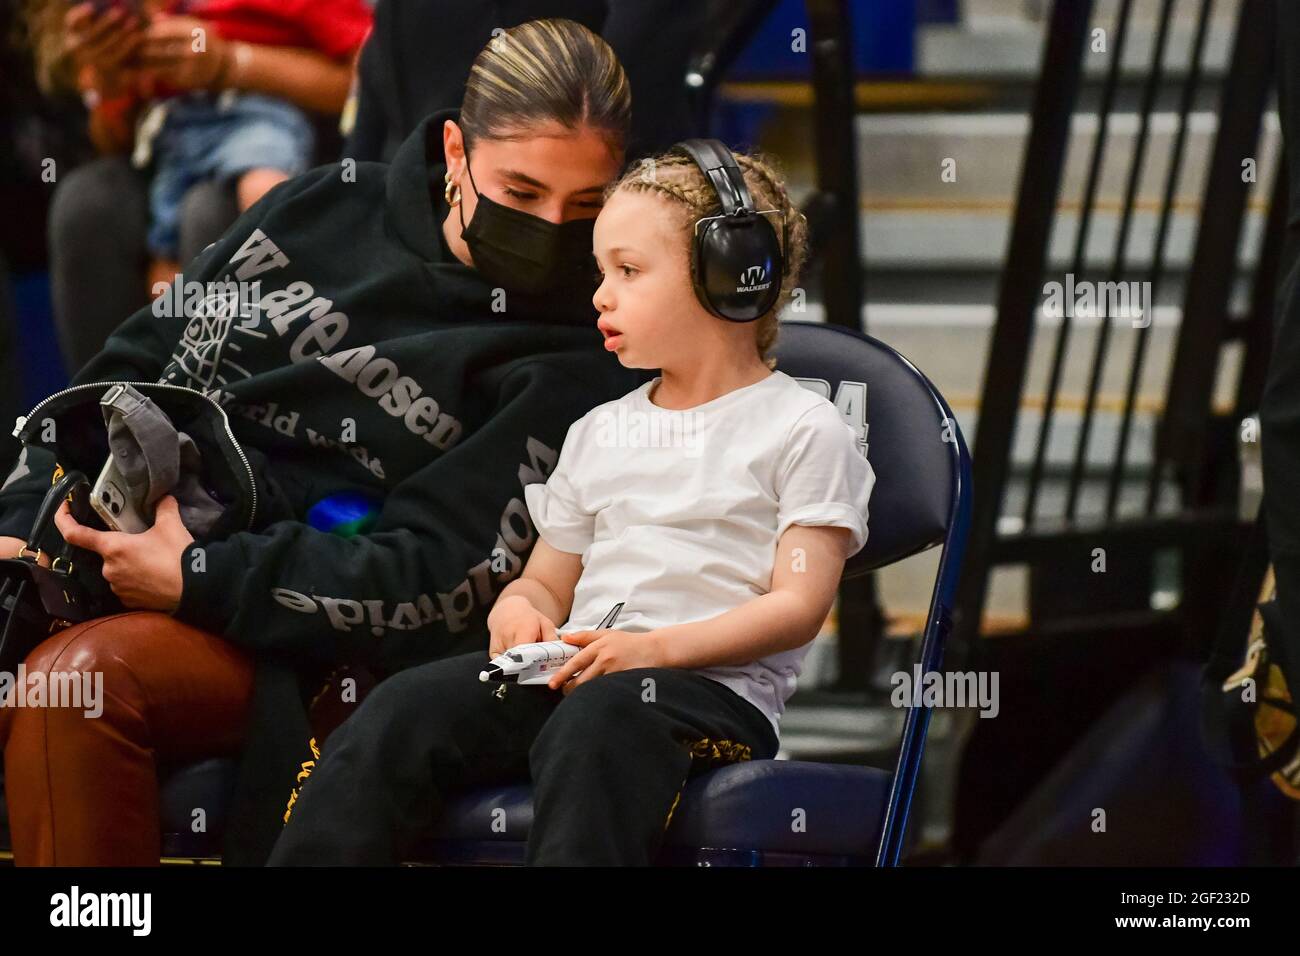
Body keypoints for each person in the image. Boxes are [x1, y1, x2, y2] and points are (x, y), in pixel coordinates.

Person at [0, 17, 640, 866]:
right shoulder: (320, 204)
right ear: (455, 152)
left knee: (78, 690)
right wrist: (20, 519)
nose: (553, 230)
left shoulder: (578, 349)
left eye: (585, 208)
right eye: (521, 196)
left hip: (310, 645)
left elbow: (435, 583)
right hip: (137, 540)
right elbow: (125, 368)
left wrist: (195, 579)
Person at [266, 143, 876, 866]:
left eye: (628, 271)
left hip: (703, 696)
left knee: (601, 721)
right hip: (579, 672)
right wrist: (518, 608)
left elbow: (796, 607)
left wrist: (652, 651)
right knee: (404, 709)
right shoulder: (601, 427)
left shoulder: (804, 428)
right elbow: (546, 580)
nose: (600, 295)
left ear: (727, 278)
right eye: (601, 272)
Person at [24, 0, 366, 374]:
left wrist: (232, 64)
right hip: (173, 143)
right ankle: (101, 410)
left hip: (285, 136)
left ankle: (228, 417)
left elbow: (370, 78)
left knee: (213, 212)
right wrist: (109, 82)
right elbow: (113, 140)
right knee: (84, 203)